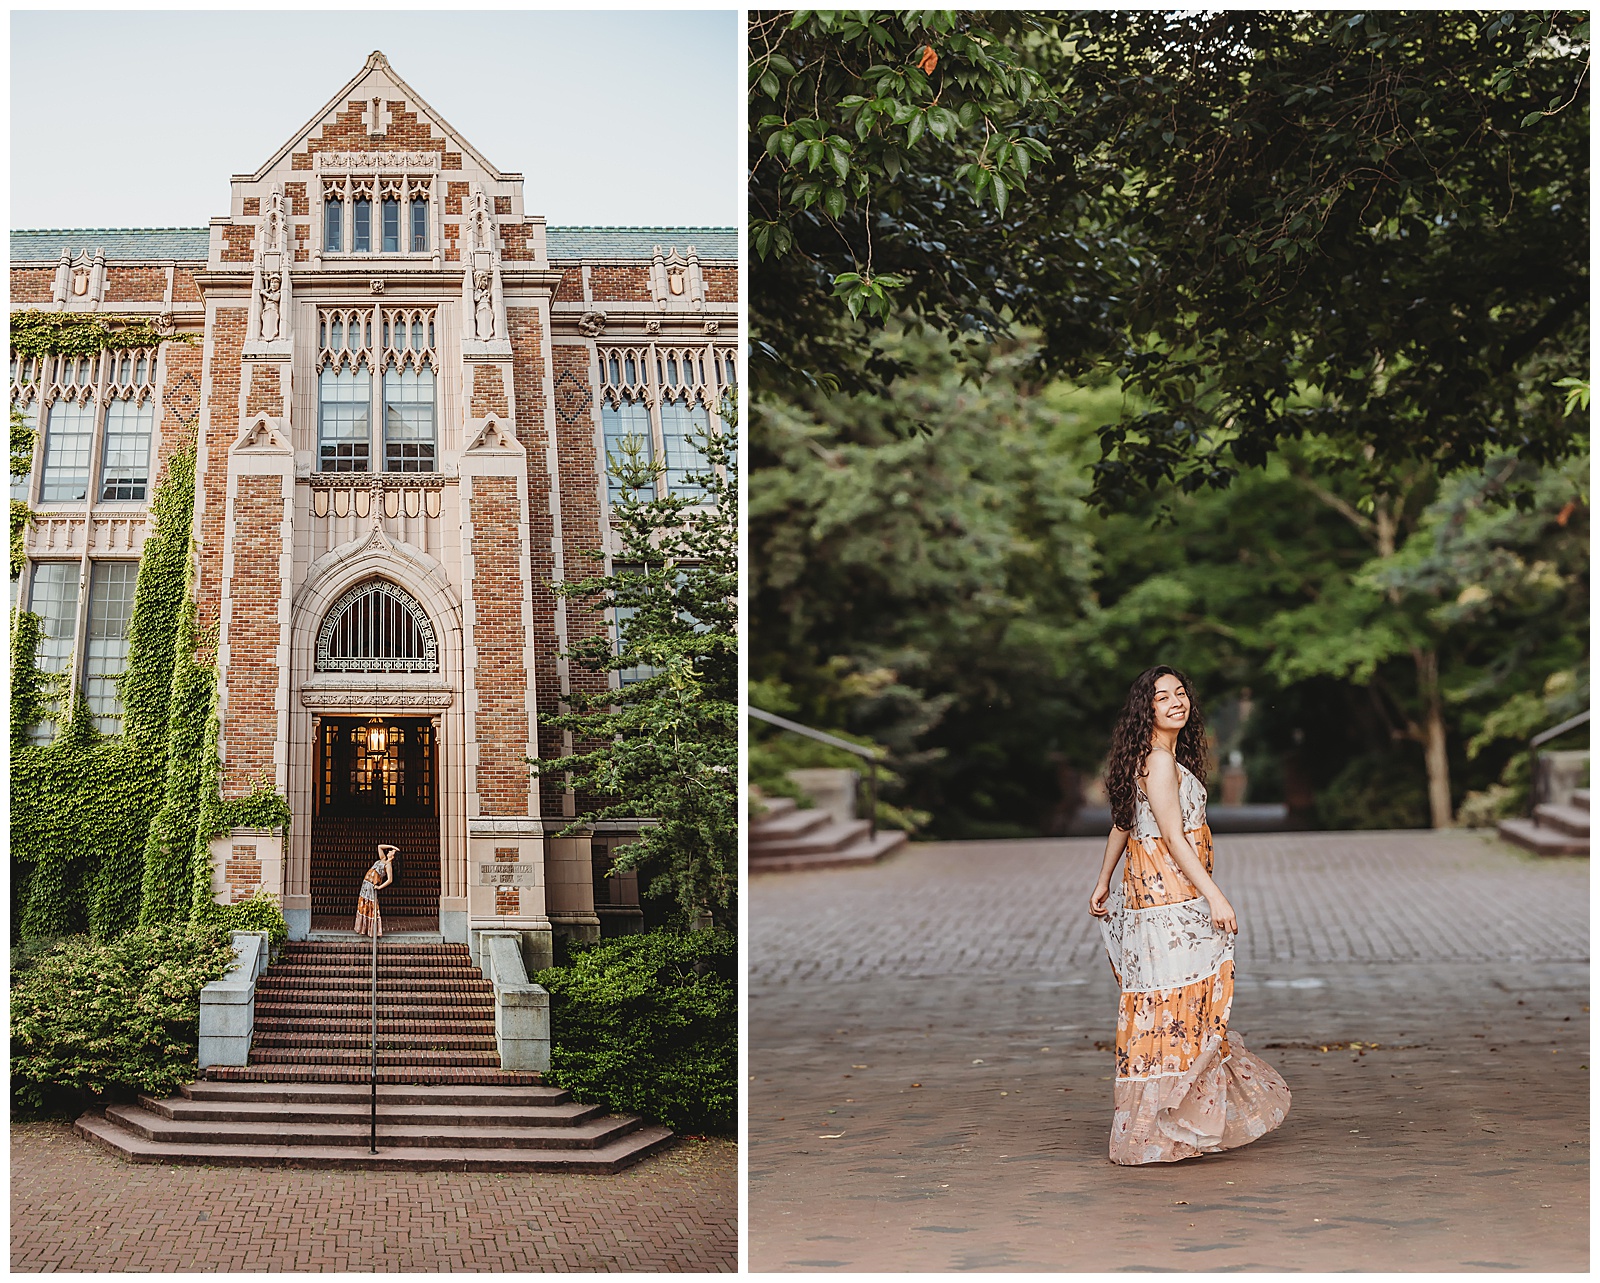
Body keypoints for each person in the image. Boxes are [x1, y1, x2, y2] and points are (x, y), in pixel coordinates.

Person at [1087, 666, 1290, 1165]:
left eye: (1180, 693)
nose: (1176, 702)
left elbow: (1123, 823)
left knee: (1170, 1010)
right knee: (1179, 1010)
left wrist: (1104, 880)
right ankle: (1163, 1130)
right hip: (1171, 903)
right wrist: (1215, 896)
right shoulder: (1158, 761)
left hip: (1160, 900)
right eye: (1162, 697)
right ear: (1147, 709)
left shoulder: (1151, 757)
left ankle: (1167, 1128)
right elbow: (1174, 838)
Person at [355, 844, 397, 937]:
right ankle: (363, 928)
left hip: (371, 886)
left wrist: (379, 887)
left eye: (392, 851)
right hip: (366, 884)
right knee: (363, 905)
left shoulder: (388, 865)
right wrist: (392, 846)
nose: (389, 851)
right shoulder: (383, 859)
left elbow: (390, 880)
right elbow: (379, 847)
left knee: (371, 907)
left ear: (393, 856)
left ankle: (371, 930)